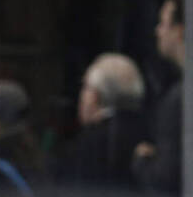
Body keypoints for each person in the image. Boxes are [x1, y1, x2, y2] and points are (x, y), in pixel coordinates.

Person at [54, 52, 148, 186]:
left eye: (85, 87)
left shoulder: (89, 143)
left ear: (95, 95)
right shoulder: (147, 131)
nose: (81, 96)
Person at [134, 0, 184, 192]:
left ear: (180, 30)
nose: (158, 30)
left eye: (163, 23)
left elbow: (165, 181)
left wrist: (142, 160)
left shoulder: (179, 100)